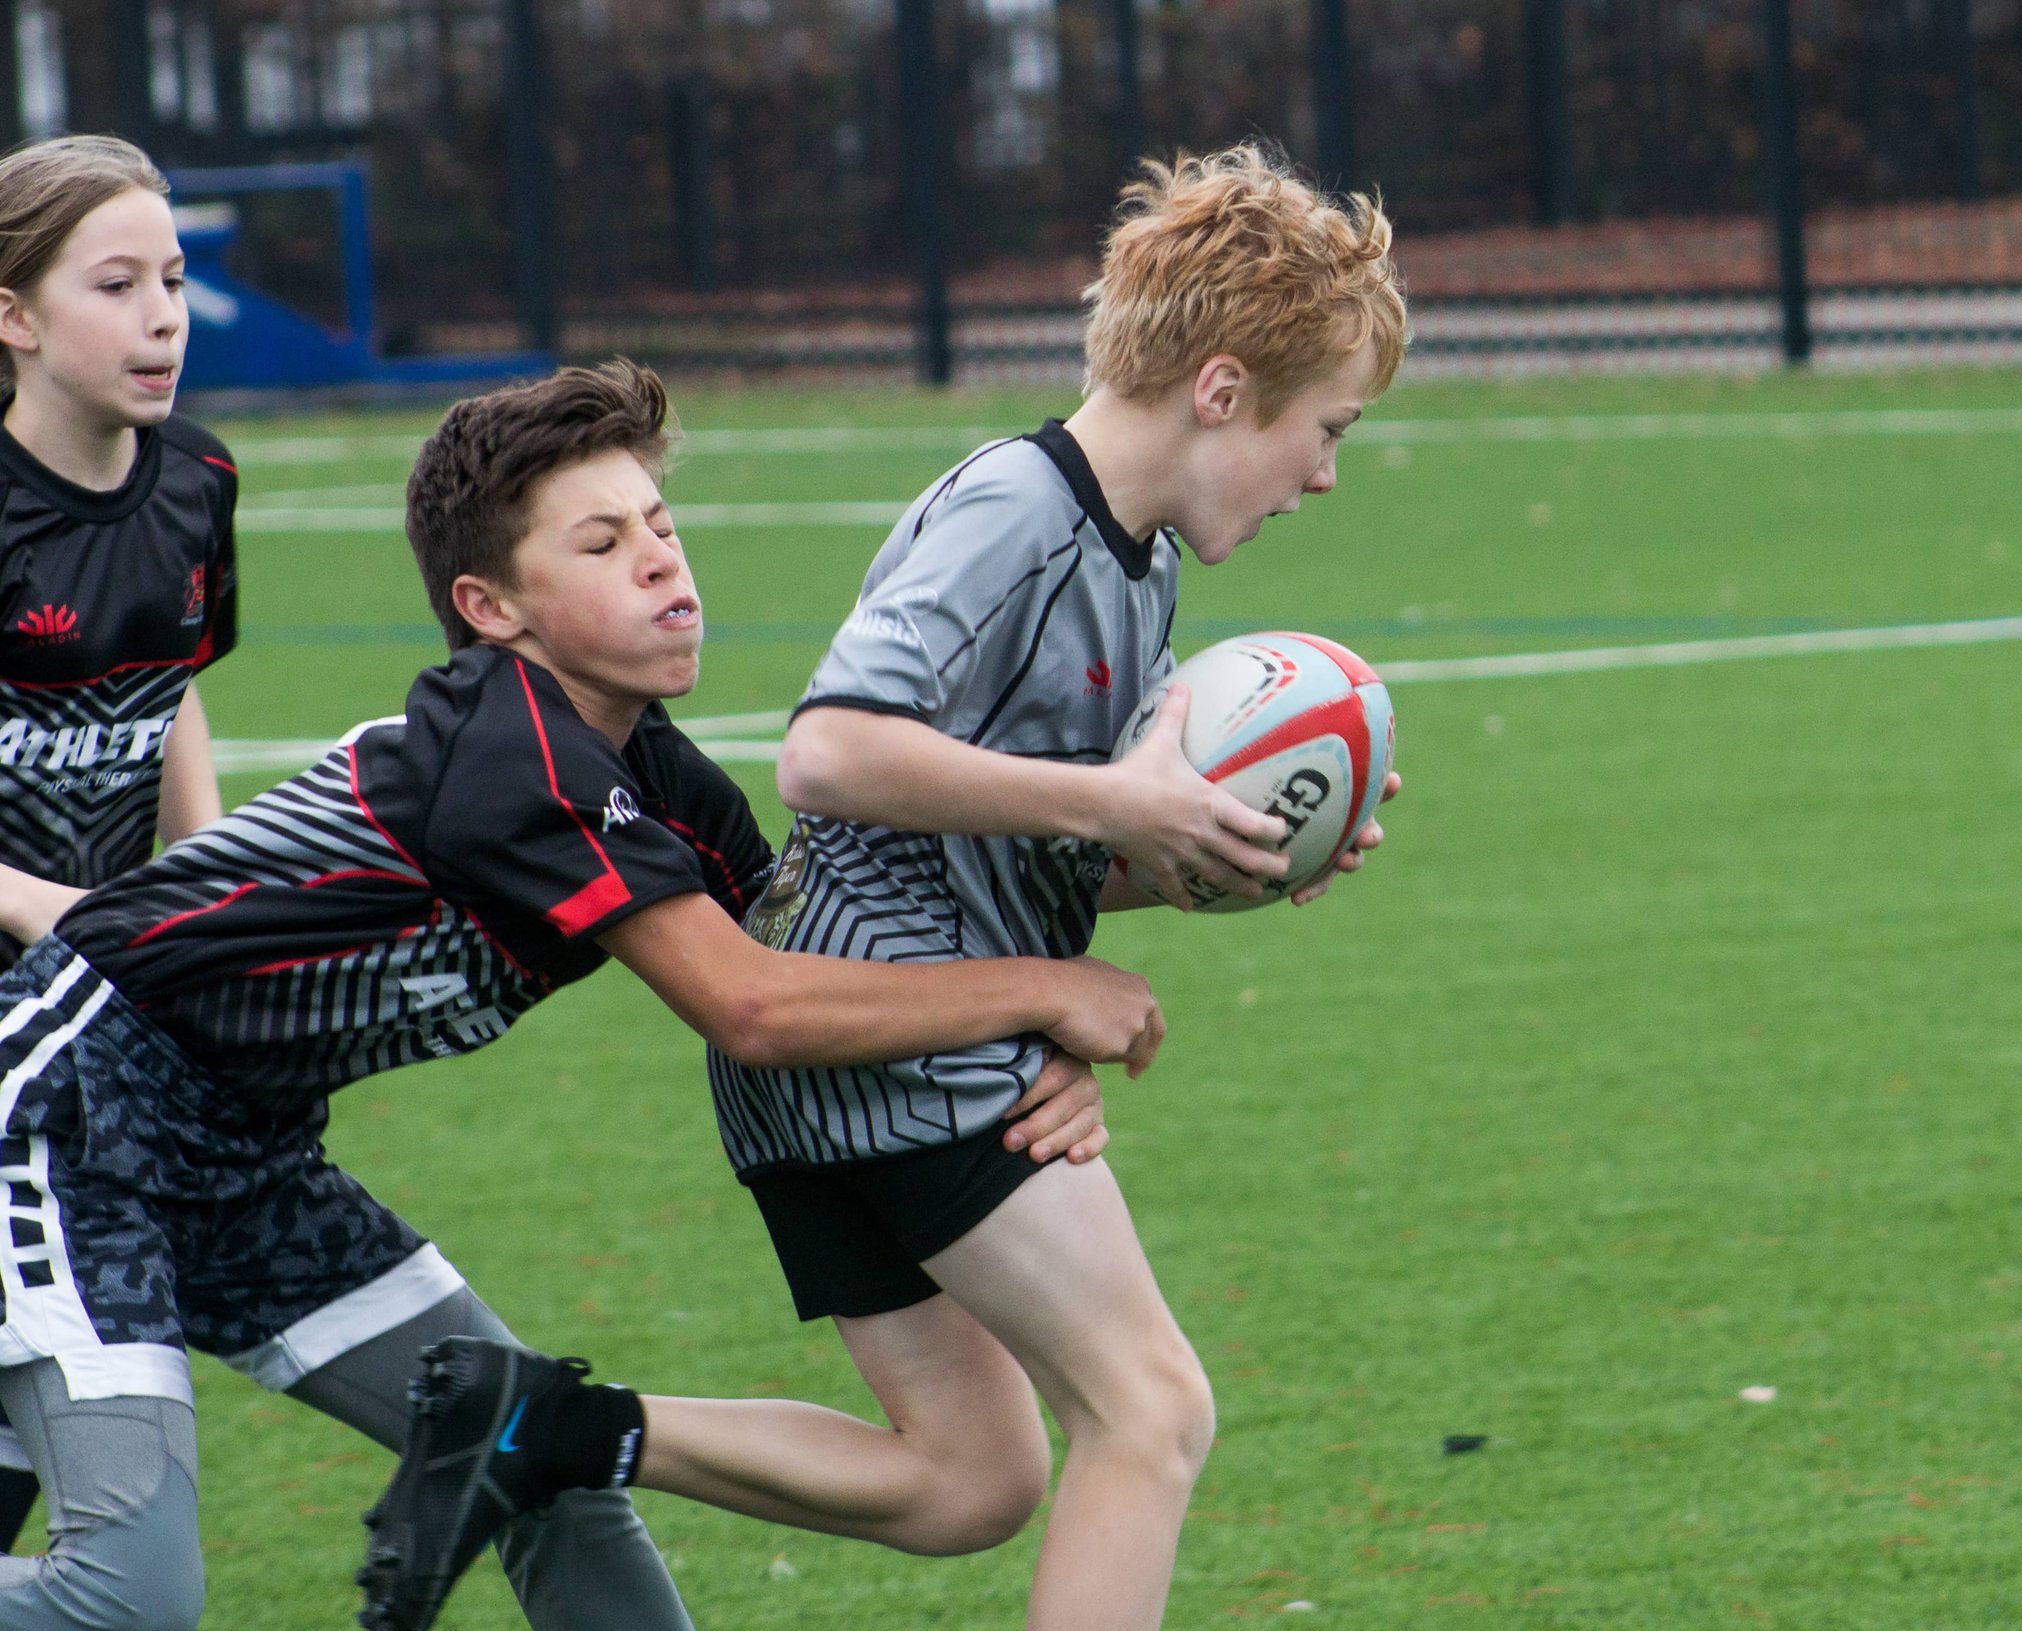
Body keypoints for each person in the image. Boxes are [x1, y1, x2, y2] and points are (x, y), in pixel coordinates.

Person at [359, 144, 1405, 1631]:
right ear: (1223, 388)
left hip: (857, 1040)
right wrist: (1112, 823)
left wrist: (1205, 858)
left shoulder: (1138, 561)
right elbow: (834, 754)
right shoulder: (1017, 513)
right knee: (1153, 1410)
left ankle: (542, 1426)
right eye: (1326, 427)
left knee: (972, 1479)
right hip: (889, 1027)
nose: (1325, 472)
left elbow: (1004, 839)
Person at [0, 360, 1161, 1631]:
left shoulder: (656, 774)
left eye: (661, 527)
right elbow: (757, 1006)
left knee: (536, 1450)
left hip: (246, 1156)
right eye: (604, 542)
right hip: (65, 1116)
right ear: (490, 606)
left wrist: (1121, 929)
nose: (664, 562)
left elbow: (841, 951)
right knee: (128, 1600)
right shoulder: (511, 752)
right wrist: (1047, 987)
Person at [0, 134, 239, 1555]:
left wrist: (202, 883)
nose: (164, 314)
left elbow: (174, 682)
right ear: (14, 316)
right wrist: (45, 903)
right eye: (117, 283)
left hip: (85, 1012)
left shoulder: (196, 478)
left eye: (177, 276)